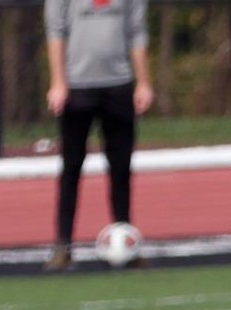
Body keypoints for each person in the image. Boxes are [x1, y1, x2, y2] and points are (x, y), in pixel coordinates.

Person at [44, 0, 153, 273]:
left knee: (120, 169)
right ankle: (63, 246)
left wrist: (144, 82)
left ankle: (125, 241)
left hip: (118, 86)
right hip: (77, 87)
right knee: (71, 167)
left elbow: (137, 31)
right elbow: (56, 31)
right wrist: (58, 81)